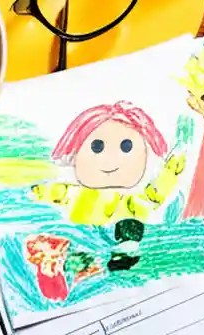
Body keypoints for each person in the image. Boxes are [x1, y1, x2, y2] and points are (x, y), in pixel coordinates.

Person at [31, 101, 186, 270]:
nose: (111, 160)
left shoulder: (130, 202)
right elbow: (62, 192)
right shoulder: (80, 196)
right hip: (86, 235)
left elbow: (154, 194)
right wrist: (41, 191)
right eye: (97, 147)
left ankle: (123, 256)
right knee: (82, 241)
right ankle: (81, 261)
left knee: (129, 226)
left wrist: (171, 171)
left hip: (119, 233)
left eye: (126, 147)